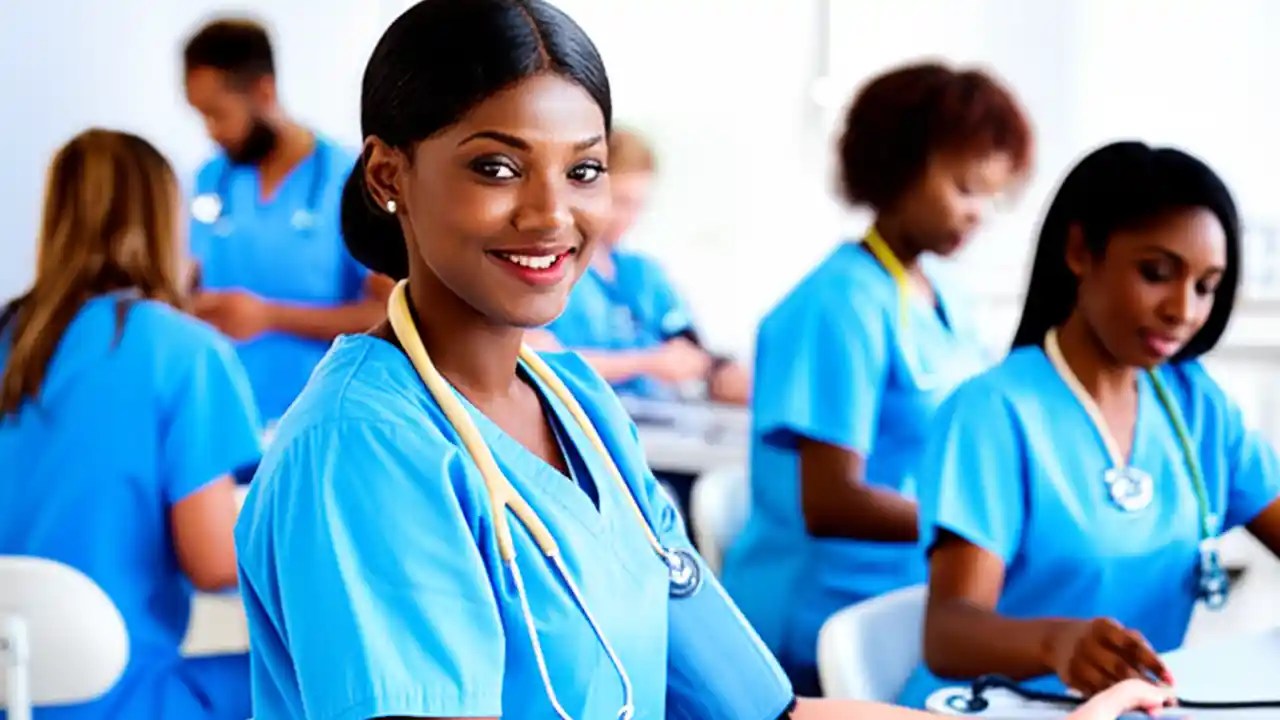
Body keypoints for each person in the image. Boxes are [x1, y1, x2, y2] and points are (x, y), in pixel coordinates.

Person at [233, 3, 1171, 718]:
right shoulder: (363, 453)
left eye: (584, 169)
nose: (552, 214)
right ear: (389, 175)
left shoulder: (580, 404)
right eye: (497, 166)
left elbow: (771, 710)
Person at [898, 141, 1280, 707]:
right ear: (1079, 251)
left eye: (1205, 286)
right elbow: (950, 633)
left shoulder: (1194, 401)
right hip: (1001, 709)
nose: (1183, 310)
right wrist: (1056, 642)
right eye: (1156, 273)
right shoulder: (994, 411)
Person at [719, 62, 1034, 694]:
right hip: (819, 625)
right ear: (897, 166)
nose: (978, 214)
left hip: (909, 597)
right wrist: (970, 530)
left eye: (991, 196)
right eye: (965, 188)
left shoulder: (946, 295)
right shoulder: (838, 303)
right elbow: (833, 500)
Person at [0, 130, 260, 719]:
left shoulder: (10, 339)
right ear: (164, 221)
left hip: (12, 693)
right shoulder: (183, 350)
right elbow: (214, 562)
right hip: (120, 698)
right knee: (302, 679)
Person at [183, 19, 393, 424]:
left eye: (218, 114)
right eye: (201, 116)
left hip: (319, 422)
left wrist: (270, 317)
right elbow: (188, 279)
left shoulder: (345, 179)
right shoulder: (212, 179)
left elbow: (390, 312)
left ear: (263, 92)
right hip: (226, 426)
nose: (211, 132)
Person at [533, 127, 751, 406]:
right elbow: (535, 361)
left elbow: (690, 350)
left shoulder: (643, 274)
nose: (628, 217)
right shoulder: (545, 268)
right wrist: (645, 364)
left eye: (638, 205)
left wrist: (722, 374)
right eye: (620, 201)